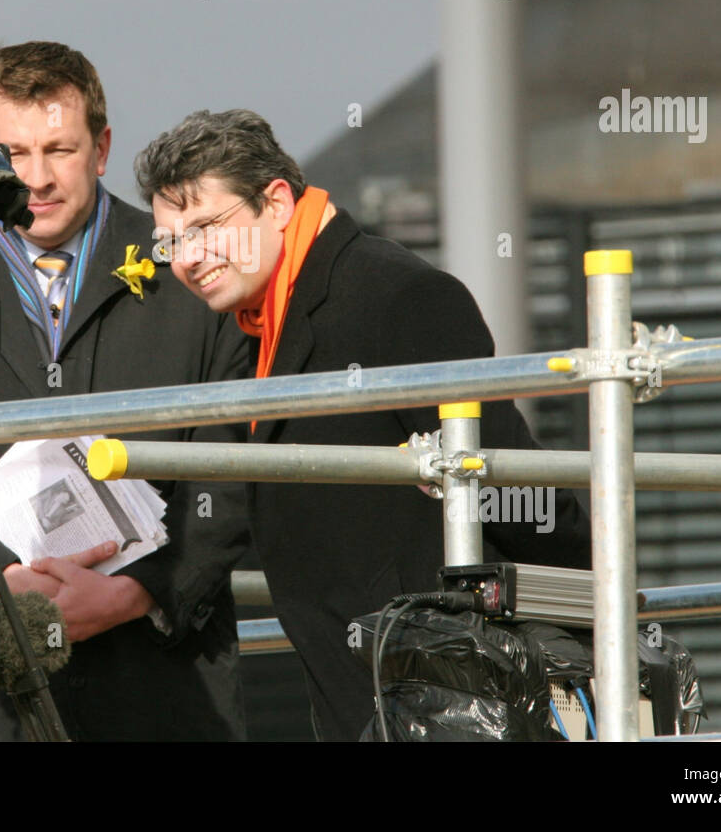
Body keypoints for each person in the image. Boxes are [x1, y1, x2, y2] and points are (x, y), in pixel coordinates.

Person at [135, 109, 592, 741]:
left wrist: (595, 611)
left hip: (449, 703)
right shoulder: (261, 321)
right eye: (171, 240)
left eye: (206, 227)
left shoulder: (395, 296)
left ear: (274, 202)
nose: (188, 257)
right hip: (376, 702)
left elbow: (521, 493)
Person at [0, 43, 250, 741]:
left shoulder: (191, 266)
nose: (37, 177)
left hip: (166, 692)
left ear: (102, 147)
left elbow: (239, 463)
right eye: (13, 152)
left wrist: (133, 591)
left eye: (60, 148)